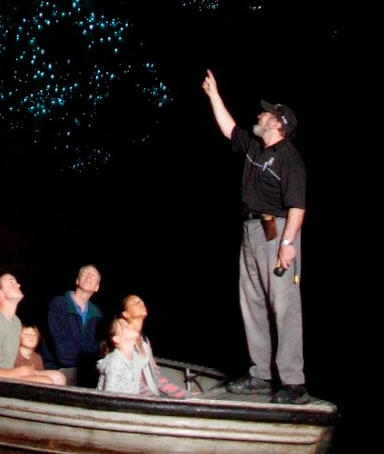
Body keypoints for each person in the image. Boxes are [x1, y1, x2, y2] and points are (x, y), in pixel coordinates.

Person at [202, 69, 309, 405]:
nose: (259, 115)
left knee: (285, 307)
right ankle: (260, 375)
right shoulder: (254, 147)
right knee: (252, 304)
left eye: (266, 114)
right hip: (251, 232)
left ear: (278, 125)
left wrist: (287, 245)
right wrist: (214, 96)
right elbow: (229, 128)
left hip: (277, 234)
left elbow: (298, 206)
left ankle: (293, 382)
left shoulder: (290, 159)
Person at [0, 273, 66, 385]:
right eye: (11, 283)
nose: (18, 285)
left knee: (59, 377)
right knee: (46, 382)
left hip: (5, 377)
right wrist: (20, 371)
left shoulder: (16, 322)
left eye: (16, 282)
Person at [118, 295, 187, 399]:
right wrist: (155, 400)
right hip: (135, 401)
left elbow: (157, 377)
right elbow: (135, 383)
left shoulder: (144, 340)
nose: (141, 303)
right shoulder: (124, 341)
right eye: (134, 302)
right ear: (125, 314)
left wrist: (186, 394)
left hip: (151, 400)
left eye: (141, 300)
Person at [47, 265, 103, 385]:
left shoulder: (97, 314)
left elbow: (96, 349)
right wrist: (87, 365)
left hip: (86, 371)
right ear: (77, 280)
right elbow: (61, 349)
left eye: (93, 275)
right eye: (86, 273)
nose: (89, 276)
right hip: (60, 368)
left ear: (97, 287)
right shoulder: (59, 304)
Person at [96, 315, 155, 395]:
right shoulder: (115, 363)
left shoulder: (137, 358)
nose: (131, 325)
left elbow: (135, 391)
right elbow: (109, 397)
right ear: (117, 338)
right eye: (124, 325)